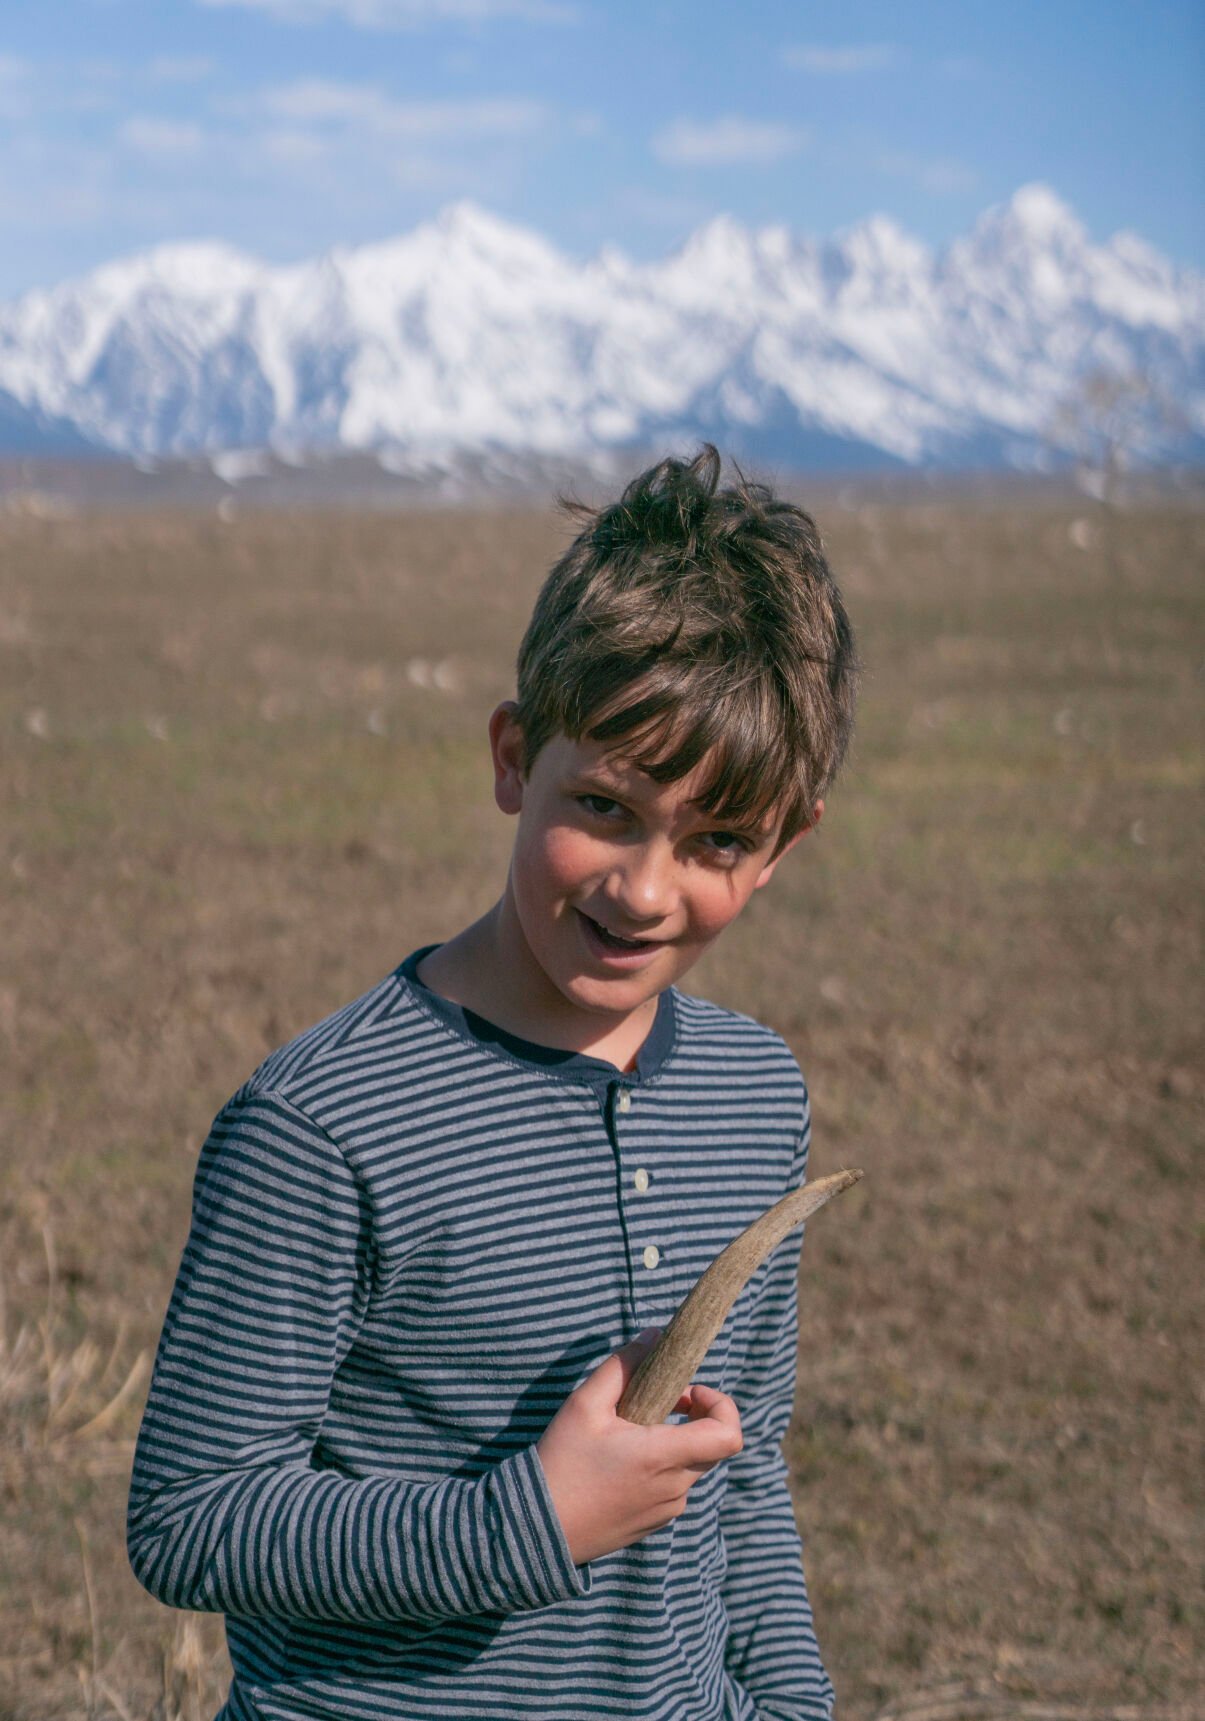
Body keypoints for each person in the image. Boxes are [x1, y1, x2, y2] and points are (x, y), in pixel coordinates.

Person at [127, 444, 858, 1720]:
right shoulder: (321, 1125)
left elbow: (742, 1472)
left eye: (715, 840)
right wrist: (527, 1518)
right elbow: (193, 1515)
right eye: (605, 805)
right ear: (514, 757)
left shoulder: (754, 1093)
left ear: (784, 841)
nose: (642, 887)